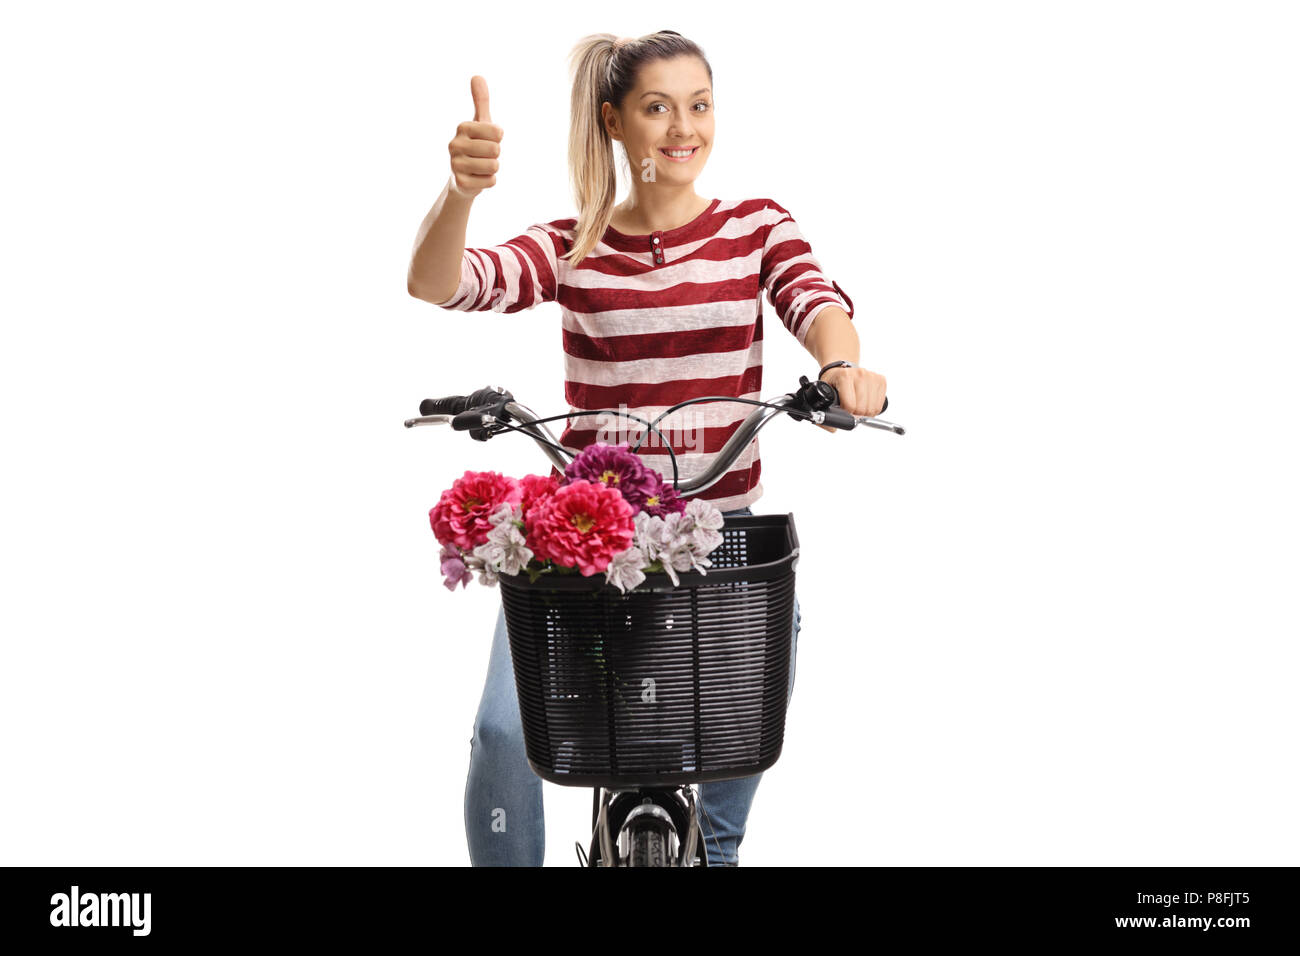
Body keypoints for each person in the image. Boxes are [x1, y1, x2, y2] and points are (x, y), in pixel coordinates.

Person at [407, 30, 887, 866]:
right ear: (614, 123)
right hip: (584, 542)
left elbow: (812, 296)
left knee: (749, 704)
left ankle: (719, 853)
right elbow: (441, 282)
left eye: (699, 105)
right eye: (657, 107)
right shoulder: (574, 244)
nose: (682, 127)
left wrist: (841, 365)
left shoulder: (753, 227)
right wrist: (458, 192)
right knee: (498, 732)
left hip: (718, 537)